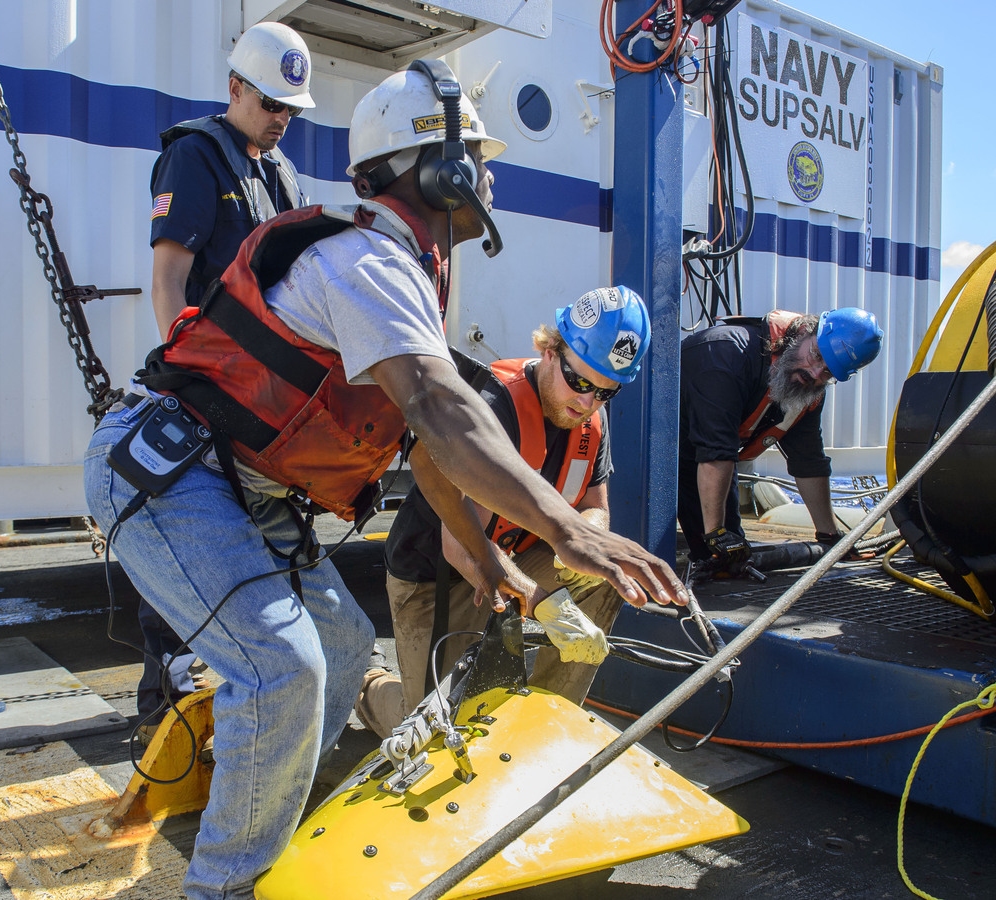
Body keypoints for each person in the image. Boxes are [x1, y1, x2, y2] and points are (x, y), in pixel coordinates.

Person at [86, 59, 687, 900]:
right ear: (437, 169)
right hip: (167, 472)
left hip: (234, 483)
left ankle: (271, 818)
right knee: (285, 666)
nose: (488, 177)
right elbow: (444, 412)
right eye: (475, 159)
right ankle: (223, 887)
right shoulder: (370, 263)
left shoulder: (405, 273)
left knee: (335, 651)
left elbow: (424, 446)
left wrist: (485, 557)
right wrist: (569, 528)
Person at [356, 287, 652, 737]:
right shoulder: (492, 407)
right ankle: (369, 685)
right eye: (580, 382)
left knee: (606, 575)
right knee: (432, 729)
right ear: (550, 350)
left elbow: (596, 508)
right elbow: (461, 545)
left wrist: (578, 546)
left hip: (521, 558)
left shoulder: (590, 418)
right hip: (440, 574)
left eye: (605, 393)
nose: (587, 402)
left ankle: (545, 727)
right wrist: (544, 601)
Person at [136, 20, 314, 729]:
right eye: (270, 105)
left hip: (263, 403)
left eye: (290, 112)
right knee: (189, 537)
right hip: (207, 392)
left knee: (266, 547)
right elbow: (169, 278)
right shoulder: (197, 157)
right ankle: (167, 712)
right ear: (234, 86)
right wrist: (185, 383)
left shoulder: (282, 175)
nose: (281, 122)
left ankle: (259, 704)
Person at [677, 307, 883, 573]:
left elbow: (808, 462)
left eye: (829, 372)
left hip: (704, 457)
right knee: (692, 544)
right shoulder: (727, 353)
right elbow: (717, 452)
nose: (815, 372)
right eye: (817, 355)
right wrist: (715, 532)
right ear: (804, 332)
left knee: (728, 558)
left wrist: (828, 537)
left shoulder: (806, 387)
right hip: (648, 445)